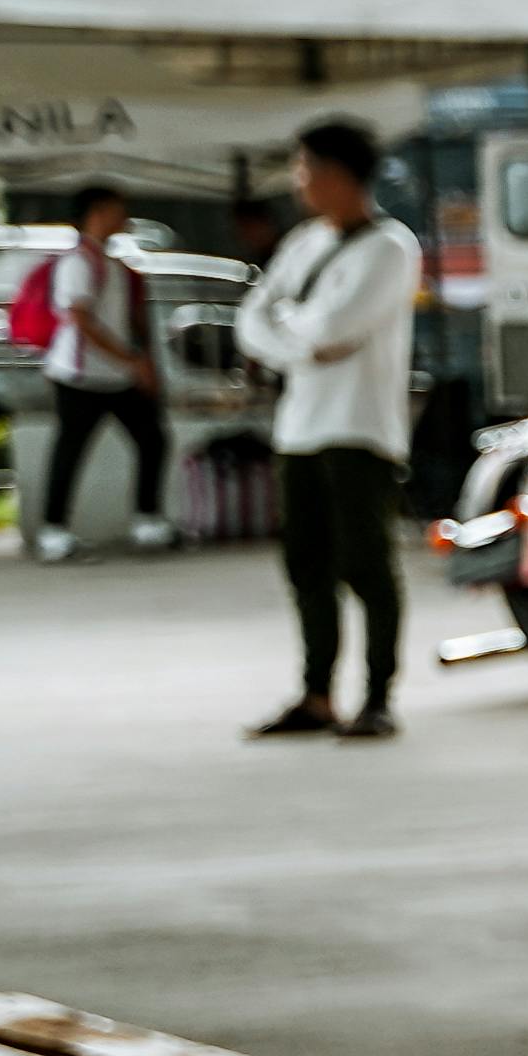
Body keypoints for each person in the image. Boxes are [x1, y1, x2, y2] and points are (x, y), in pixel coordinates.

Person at [231, 120, 423, 742]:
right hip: (300, 430)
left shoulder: (390, 248)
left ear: (340, 175)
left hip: (360, 429)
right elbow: (252, 321)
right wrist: (297, 337)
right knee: (306, 565)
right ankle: (316, 695)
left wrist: (293, 329)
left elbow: (332, 329)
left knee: (366, 564)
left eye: (305, 169)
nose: (298, 183)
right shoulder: (304, 244)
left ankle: (378, 696)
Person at [12, 186, 175, 561]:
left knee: (152, 439)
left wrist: (134, 359)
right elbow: (81, 321)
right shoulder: (78, 263)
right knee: (71, 450)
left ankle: (147, 520)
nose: (126, 217)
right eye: (119, 210)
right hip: (80, 375)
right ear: (98, 212)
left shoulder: (110, 264)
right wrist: (132, 360)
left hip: (114, 374)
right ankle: (54, 531)